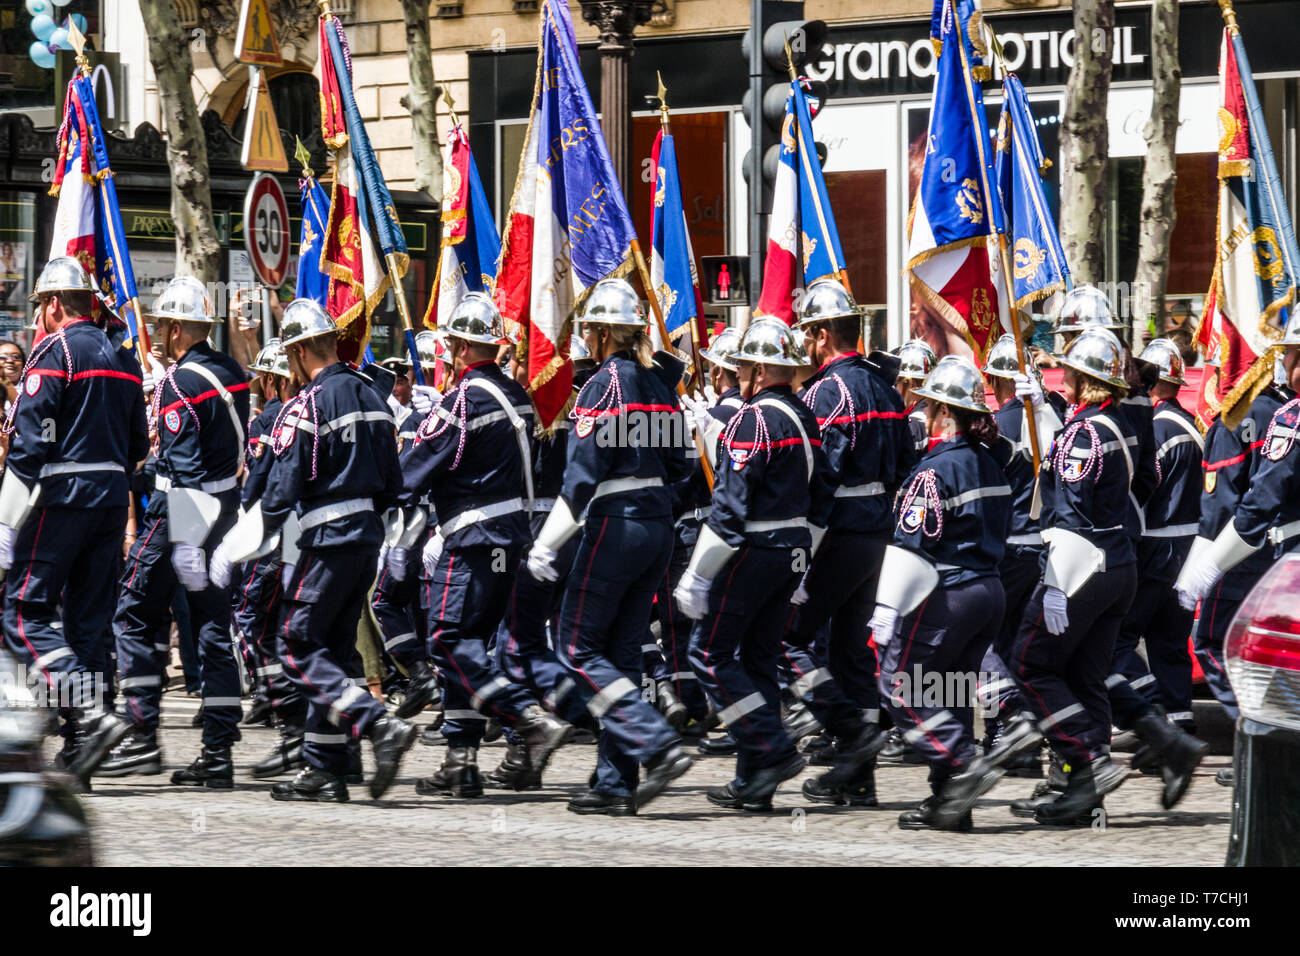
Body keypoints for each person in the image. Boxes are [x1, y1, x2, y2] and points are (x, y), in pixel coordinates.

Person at [210, 298, 417, 802]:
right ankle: (329, 764)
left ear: (300, 351)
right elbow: (395, 482)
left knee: (297, 644)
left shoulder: (306, 405)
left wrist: (235, 548)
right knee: (336, 650)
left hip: (326, 541)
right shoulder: (373, 398)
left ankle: (377, 724)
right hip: (366, 540)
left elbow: (279, 492)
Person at [526, 277, 695, 816]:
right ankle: (614, 782)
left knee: (576, 647)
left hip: (615, 523)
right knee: (622, 655)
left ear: (599, 334)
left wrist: (547, 543)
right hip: (658, 523)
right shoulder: (659, 386)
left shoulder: (605, 386)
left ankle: (657, 745)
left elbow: (581, 476)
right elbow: (683, 466)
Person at [397, 292, 571, 798]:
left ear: (456, 347)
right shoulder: (516, 394)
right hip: (510, 537)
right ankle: (461, 760)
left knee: (448, 640)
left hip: (472, 536)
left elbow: (421, 466)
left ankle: (527, 718)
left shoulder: (464, 399)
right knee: (470, 645)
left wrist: (387, 483)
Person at [965, 329, 1140, 826]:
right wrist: (1027, 422)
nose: (1061, 377)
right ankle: (1083, 792)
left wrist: (1058, 584)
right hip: (1116, 563)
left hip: (1081, 563)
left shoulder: (1084, 432)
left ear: (1086, 381)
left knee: (1028, 663)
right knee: (1086, 677)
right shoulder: (1110, 423)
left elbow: (1069, 512)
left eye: (1070, 372)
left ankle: (1086, 762)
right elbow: (1052, 479)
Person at [0, 257, 149, 782]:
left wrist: (4, 523)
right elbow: (137, 446)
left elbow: (30, 442)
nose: (40, 315)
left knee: (23, 613)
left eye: (41, 305)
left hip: (63, 497)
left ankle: (88, 714)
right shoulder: (124, 357)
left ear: (55, 304)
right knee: (88, 624)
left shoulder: (55, 350)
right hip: (111, 498)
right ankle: (84, 743)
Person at [675, 319, 832, 811]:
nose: (739, 372)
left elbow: (729, 509)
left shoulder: (753, 419)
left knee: (709, 655)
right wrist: (804, 561)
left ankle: (771, 746)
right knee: (759, 660)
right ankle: (753, 777)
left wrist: (699, 573)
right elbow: (823, 499)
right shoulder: (803, 416)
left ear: (761, 369)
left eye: (744, 364)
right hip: (790, 552)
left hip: (751, 554)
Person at [106, 276, 251, 788]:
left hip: (179, 519)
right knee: (214, 627)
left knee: (132, 615)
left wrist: (186, 541)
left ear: (172, 330)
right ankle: (218, 751)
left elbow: (185, 468)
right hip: (224, 514)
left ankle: (142, 734)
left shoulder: (179, 383)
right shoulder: (232, 371)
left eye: (164, 328)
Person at [783, 277, 915, 808]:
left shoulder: (825, 392)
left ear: (820, 334)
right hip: (878, 533)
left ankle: (851, 737)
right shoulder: (884, 385)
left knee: (787, 637)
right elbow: (907, 461)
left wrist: (803, 547)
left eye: (807, 335)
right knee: (852, 656)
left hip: (837, 534)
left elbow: (821, 477)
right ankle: (859, 778)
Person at [871, 356, 1013, 830]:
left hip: (947, 592)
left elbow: (914, 543)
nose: (925, 414)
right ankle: (951, 804)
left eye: (932, 406)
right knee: (949, 692)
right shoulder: (990, 465)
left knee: (901, 685)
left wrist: (888, 606)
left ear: (945, 415)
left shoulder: (933, 472)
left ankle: (963, 763)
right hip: (987, 589)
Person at [976, 334, 1060, 780]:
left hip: (1007, 547)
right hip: (1047, 548)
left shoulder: (997, 425)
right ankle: (1024, 740)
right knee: (1023, 651)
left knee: (990, 642)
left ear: (993, 378)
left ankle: (1003, 733)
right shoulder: (1052, 415)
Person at [664, 325, 745, 746]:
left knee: (687, 626)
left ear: (718, 373)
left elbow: (684, 476)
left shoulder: (711, 417)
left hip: (700, 527)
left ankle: (698, 708)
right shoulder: (747, 414)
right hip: (737, 529)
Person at [1117, 339, 1204, 733]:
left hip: (1155, 545)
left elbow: (1140, 487)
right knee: (1170, 643)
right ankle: (1180, 722)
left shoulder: (1158, 428)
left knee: (1118, 637)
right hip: (1188, 546)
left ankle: (1151, 712)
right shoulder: (1192, 426)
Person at [895, 338, 937, 457]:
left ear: (912, 384)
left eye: (898, 382)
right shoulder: (937, 411)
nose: (895, 388)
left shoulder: (914, 424)